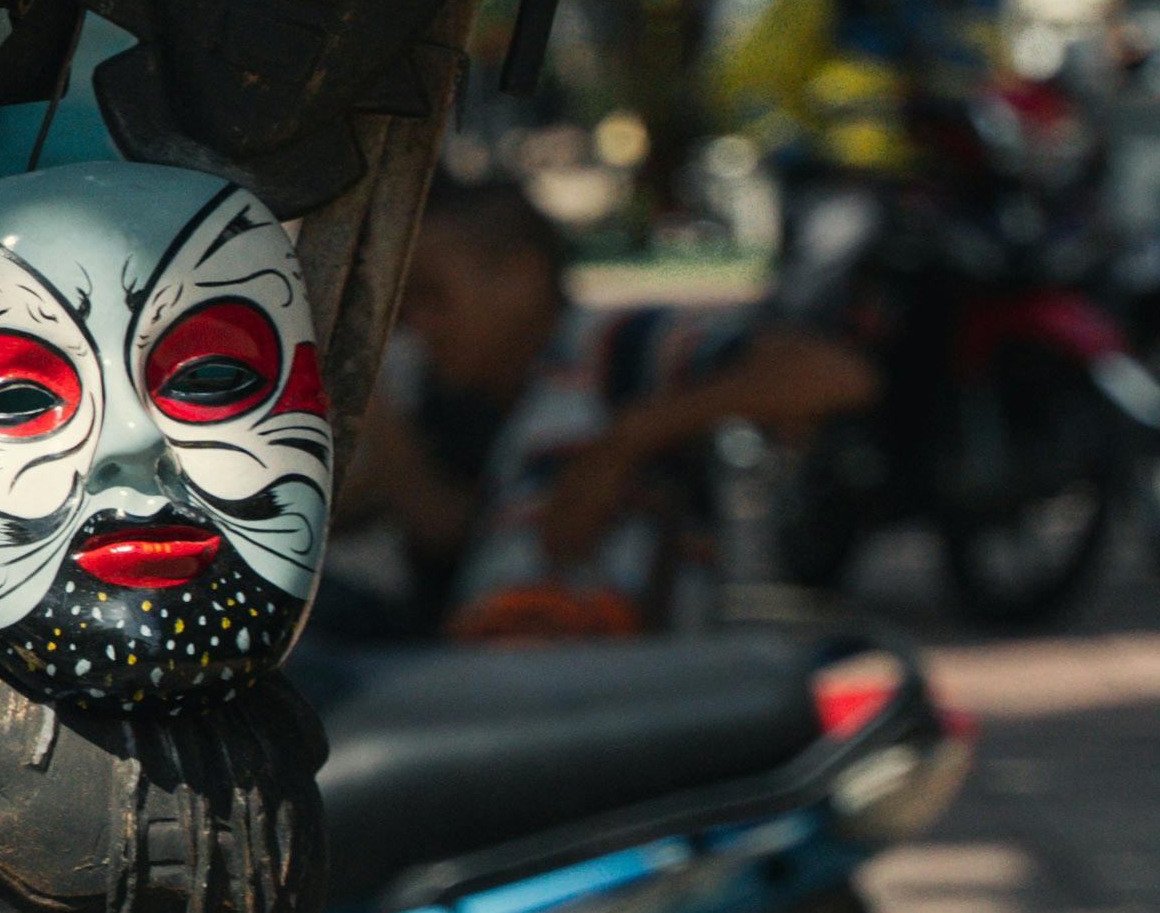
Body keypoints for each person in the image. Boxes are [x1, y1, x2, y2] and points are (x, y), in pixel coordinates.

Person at [340, 167, 871, 638]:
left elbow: (832, 374)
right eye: (404, 306)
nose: (415, 325)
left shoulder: (615, 345)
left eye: (432, 296)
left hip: (616, 681)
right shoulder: (464, 401)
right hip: (494, 668)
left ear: (521, 275)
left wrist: (624, 443)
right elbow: (440, 526)